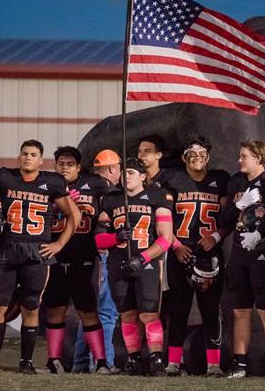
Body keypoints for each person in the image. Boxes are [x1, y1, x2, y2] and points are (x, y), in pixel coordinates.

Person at [0, 139, 80, 374]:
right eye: (24, 153)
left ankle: (26, 363)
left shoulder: (52, 182)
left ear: (40, 160)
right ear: (20, 156)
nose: (28, 157)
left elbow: (72, 216)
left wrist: (59, 244)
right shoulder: (7, 178)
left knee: (31, 308)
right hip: (6, 249)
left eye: (33, 154)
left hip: (36, 252)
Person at [95, 158, 175, 376]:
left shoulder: (156, 197)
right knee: (127, 315)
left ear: (142, 176)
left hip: (146, 263)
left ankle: (157, 359)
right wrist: (115, 237)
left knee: (149, 314)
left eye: (132, 172)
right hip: (118, 262)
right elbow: (99, 239)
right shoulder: (111, 200)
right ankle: (133, 359)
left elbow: (165, 238)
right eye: (124, 172)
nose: (127, 175)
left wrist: (143, 258)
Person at [221, 139, 265, 380]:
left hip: (263, 250)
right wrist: (240, 204)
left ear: (259, 158)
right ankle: (240, 364)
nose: (239, 160)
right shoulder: (236, 182)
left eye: (244, 156)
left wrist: (260, 233)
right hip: (239, 252)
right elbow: (225, 220)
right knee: (240, 310)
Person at [164, 135, 230, 377]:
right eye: (192, 155)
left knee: (211, 310)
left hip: (209, 253)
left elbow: (229, 218)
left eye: (202, 155)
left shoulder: (220, 180)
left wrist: (216, 237)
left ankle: (214, 364)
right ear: (184, 158)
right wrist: (176, 245)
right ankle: (173, 362)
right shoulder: (172, 179)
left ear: (208, 158)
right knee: (178, 308)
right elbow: (163, 218)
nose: (197, 159)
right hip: (180, 251)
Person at [43, 146, 111, 374]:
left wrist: (105, 217)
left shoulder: (94, 185)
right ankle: (53, 360)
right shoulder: (47, 185)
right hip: (53, 256)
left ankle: (101, 362)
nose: (65, 168)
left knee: (88, 310)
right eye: (61, 163)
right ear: (55, 165)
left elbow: (113, 202)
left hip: (83, 257)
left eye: (70, 164)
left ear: (79, 167)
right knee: (55, 309)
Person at [72, 149, 122, 374]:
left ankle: (80, 363)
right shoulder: (105, 189)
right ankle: (104, 362)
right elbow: (102, 231)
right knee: (107, 312)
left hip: (84, 255)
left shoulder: (83, 185)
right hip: (102, 254)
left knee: (88, 314)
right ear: (113, 169)